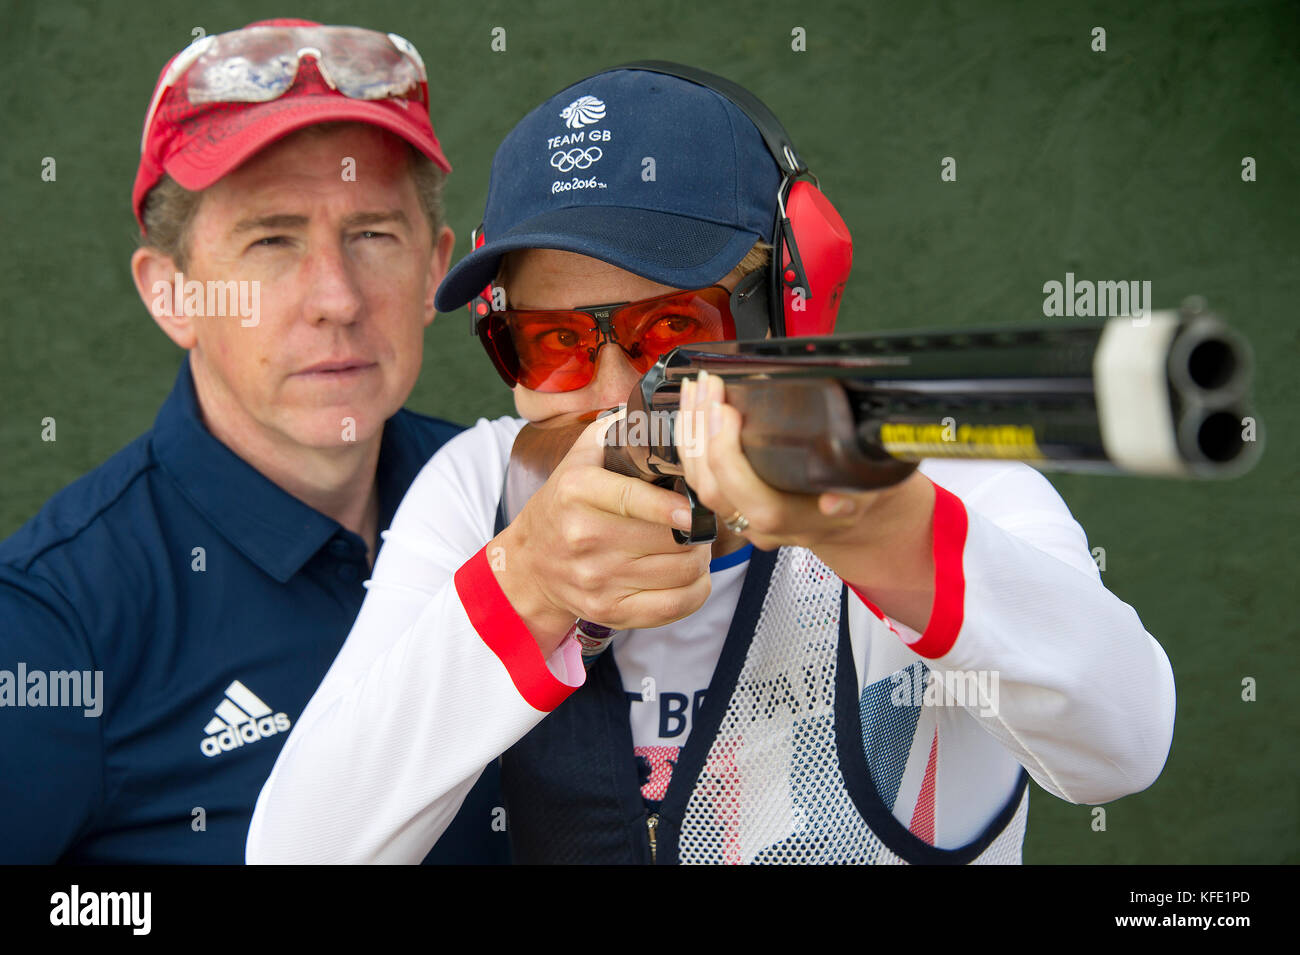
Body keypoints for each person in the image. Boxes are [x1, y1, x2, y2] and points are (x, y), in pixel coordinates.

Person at [247, 63, 1176, 864]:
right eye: (557, 341)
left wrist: (891, 536)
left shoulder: (946, 479)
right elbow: (297, 848)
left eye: (673, 330)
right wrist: (526, 583)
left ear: (792, 302)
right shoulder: (481, 484)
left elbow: (1126, 745)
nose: (615, 394)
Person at [0, 19, 506, 863]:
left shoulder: (515, 510)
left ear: (434, 271)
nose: (337, 298)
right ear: (171, 294)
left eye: (374, 235)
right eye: (272, 241)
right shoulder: (55, 623)